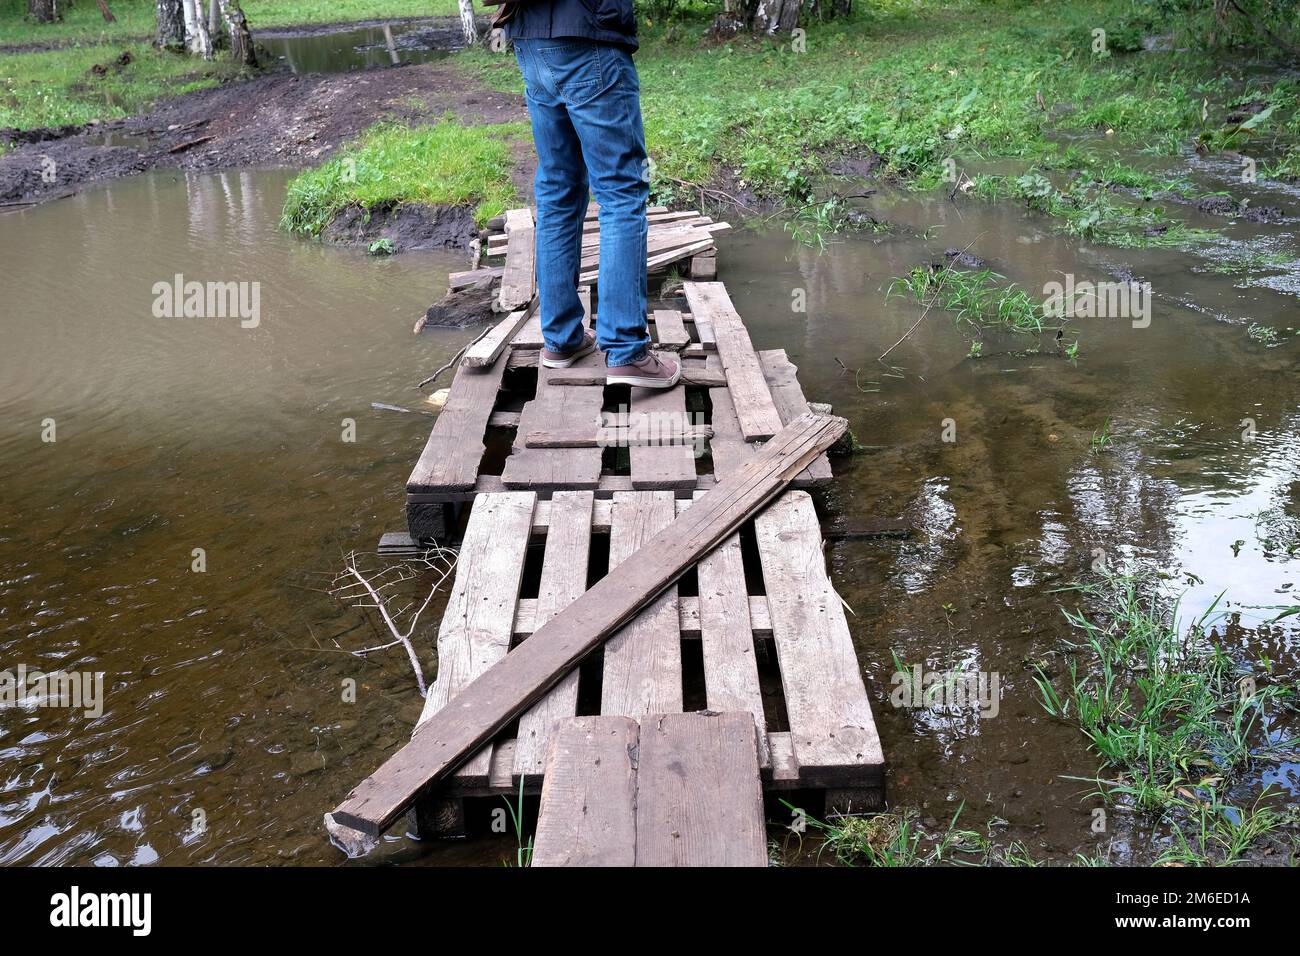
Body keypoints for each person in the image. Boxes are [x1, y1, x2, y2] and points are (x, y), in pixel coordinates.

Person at [495, 0, 680, 388]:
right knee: (621, 191)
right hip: (586, 36)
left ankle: (562, 340)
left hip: (530, 38)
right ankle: (627, 350)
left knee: (559, 189)